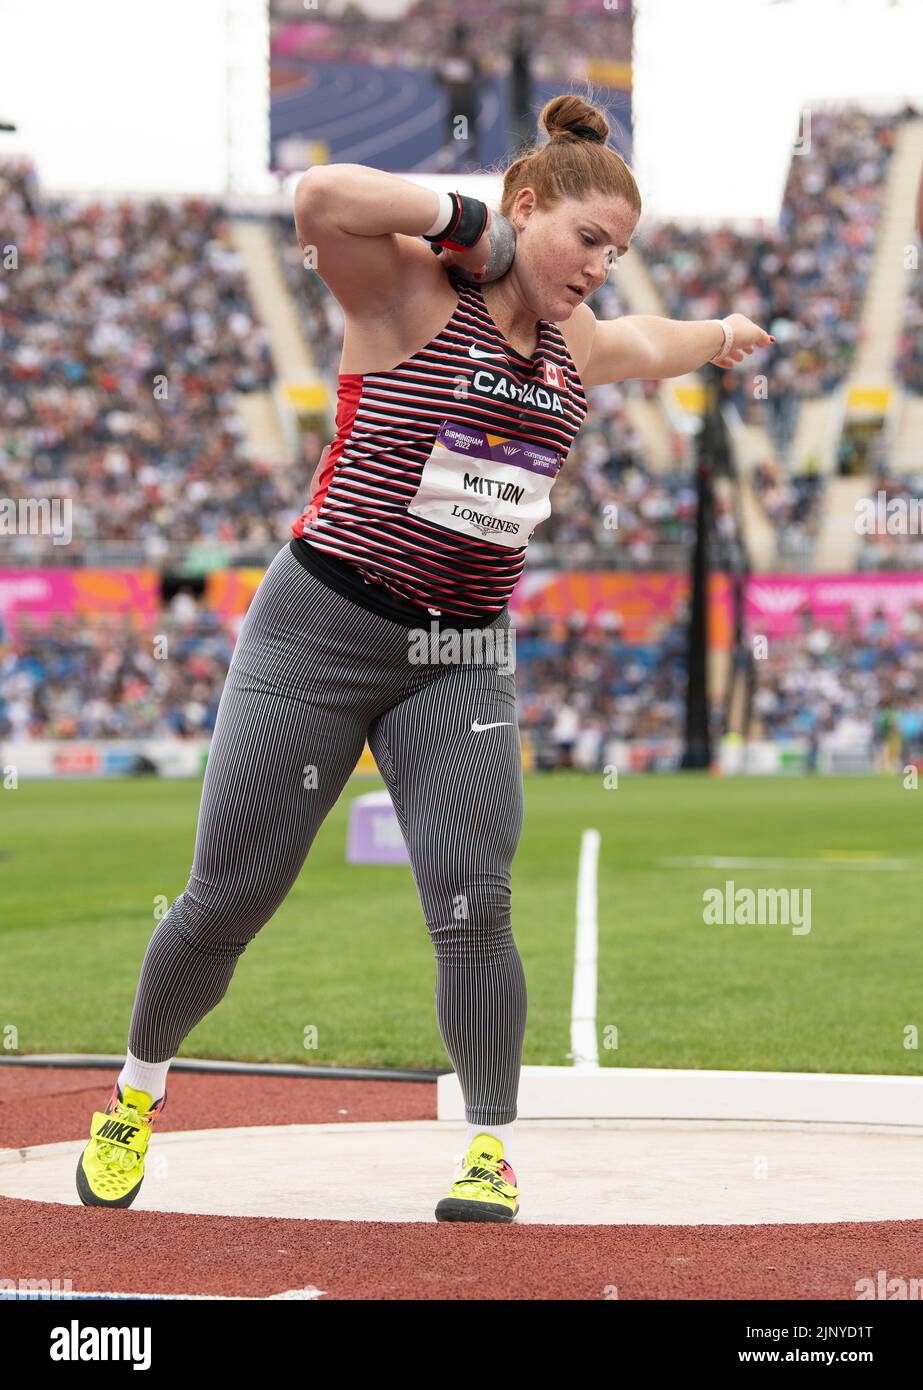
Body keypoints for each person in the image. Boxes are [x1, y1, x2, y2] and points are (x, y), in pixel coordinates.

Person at [76, 94, 771, 1223]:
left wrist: (725, 332)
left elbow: (654, 344)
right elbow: (318, 198)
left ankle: (487, 1146)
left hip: (459, 657)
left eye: (619, 252)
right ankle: (135, 1094)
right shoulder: (406, 289)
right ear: (524, 207)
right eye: (585, 239)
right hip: (318, 630)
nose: (601, 267)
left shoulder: (576, 343)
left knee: (474, 899)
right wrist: (465, 223)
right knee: (227, 899)